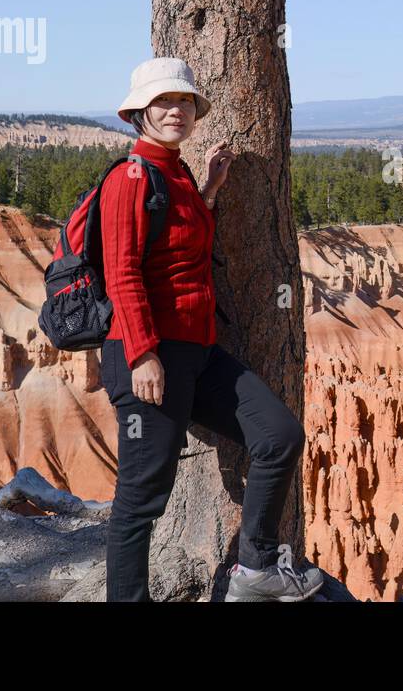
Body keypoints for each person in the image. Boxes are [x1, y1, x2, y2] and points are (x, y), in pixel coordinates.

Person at [98, 55, 324, 602]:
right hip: (148, 355)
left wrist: (210, 191)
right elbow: (122, 272)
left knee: (279, 435)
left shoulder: (173, 174)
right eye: (163, 101)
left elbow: (179, 242)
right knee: (141, 497)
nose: (176, 110)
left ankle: (255, 570)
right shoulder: (130, 178)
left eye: (183, 102)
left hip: (198, 353)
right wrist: (142, 355)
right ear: (139, 114)